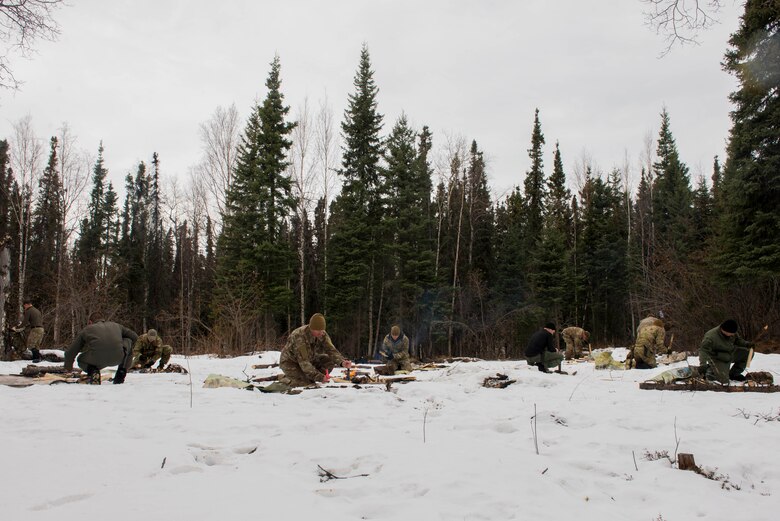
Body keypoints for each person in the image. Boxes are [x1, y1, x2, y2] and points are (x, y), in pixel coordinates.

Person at [279, 313, 353, 387]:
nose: (321, 333)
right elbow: (304, 363)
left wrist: (342, 362)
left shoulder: (322, 333)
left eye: (322, 330)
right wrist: (320, 377)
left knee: (328, 360)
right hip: (291, 362)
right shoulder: (299, 337)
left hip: (309, 359)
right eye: (318, 330)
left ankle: (309, 377)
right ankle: (286, 378)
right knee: (305, 384)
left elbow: (331, 350)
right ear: (311, 328)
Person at [64, 311, 138, 385]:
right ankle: (121, 373)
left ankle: (93, 371)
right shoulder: (116, 325)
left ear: (90, 322)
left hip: (97, 359)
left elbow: (71, 352)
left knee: (80, 359)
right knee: (128, 340)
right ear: (103, 319)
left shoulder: (87, 330)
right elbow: (134, 337)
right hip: (118, 358)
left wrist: (68, 368)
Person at [698, 319, 755, 384]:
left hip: (731, 353)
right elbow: (703, 350)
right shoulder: (710, 337)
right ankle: (710, 370)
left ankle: (733, 374)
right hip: (718, 359)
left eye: (733, 333)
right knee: (723, 381)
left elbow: (737, 340)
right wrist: (703, 364)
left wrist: (747, 344)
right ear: (724, 330)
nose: (733, 335)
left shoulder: (732, 332)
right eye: (731, 333)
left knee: (748, 353)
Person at [15, 298, 44, 363]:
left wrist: (17, 327)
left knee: (30, 344)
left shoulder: (29, 311)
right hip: (41, 329)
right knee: (36, 345)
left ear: (26, 305)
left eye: (24, 306)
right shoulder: (37, 310)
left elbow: (25, 321)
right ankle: (36, 358)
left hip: (35, 329)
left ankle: (37, 357)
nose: (24, 307)